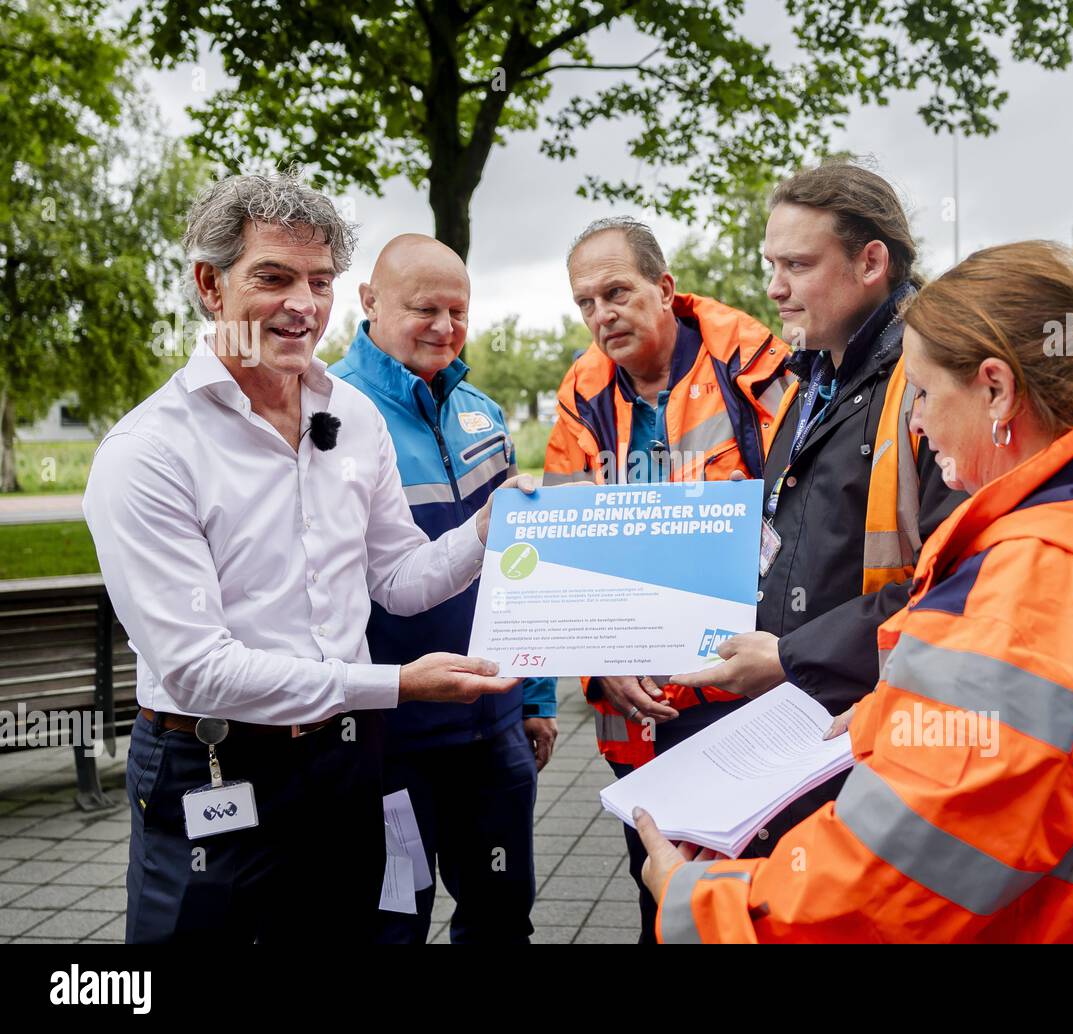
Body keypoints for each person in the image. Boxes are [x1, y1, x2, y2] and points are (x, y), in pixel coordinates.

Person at [637, 239, 1073, 943]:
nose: (915, 422)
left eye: (921, 393)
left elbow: (889, 884)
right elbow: (1071, 735)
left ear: (996, 389)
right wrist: (902, 714)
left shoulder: (1021, 592)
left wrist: (695, 904)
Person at [83, 172, 530, 944]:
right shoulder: (148, 451)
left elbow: (398, 579)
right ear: (210, 285)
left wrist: (487, 531)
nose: (303, 304)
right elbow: (199, 671)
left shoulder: (351, 415)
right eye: (273, 277)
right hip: (210, 763)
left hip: (346, 761)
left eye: (319, 281)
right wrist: (396, 684)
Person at [669, 160, 963, 853]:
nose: (775, 288)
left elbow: (958, 591)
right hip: (801, 729)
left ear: (871, 263)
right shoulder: (812, 378)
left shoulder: (931, 386)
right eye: (771, 265)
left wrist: (791, 656)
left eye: (798, 265)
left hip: (875, 740)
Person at [544, 215, 793, 939]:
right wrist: (600, 658)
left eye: (616, 292)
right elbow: (567, 545)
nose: (601, 315)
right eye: (585, 303)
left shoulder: (753, 365)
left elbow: (805, 521)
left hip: (742, 696)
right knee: (656, 893)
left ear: (664, 287)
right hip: (636, 708)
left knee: (750, 897)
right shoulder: (581, 391)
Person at [330, 234, 557, 944]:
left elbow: (522, 564)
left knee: (501, 918)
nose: (445, 327)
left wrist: (536, 695)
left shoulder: (482, 413)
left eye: (459, 311)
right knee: (393, 923)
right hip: (390, 733)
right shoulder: (329, 413)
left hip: (494, 727)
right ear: (369, 302)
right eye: (424, 309)